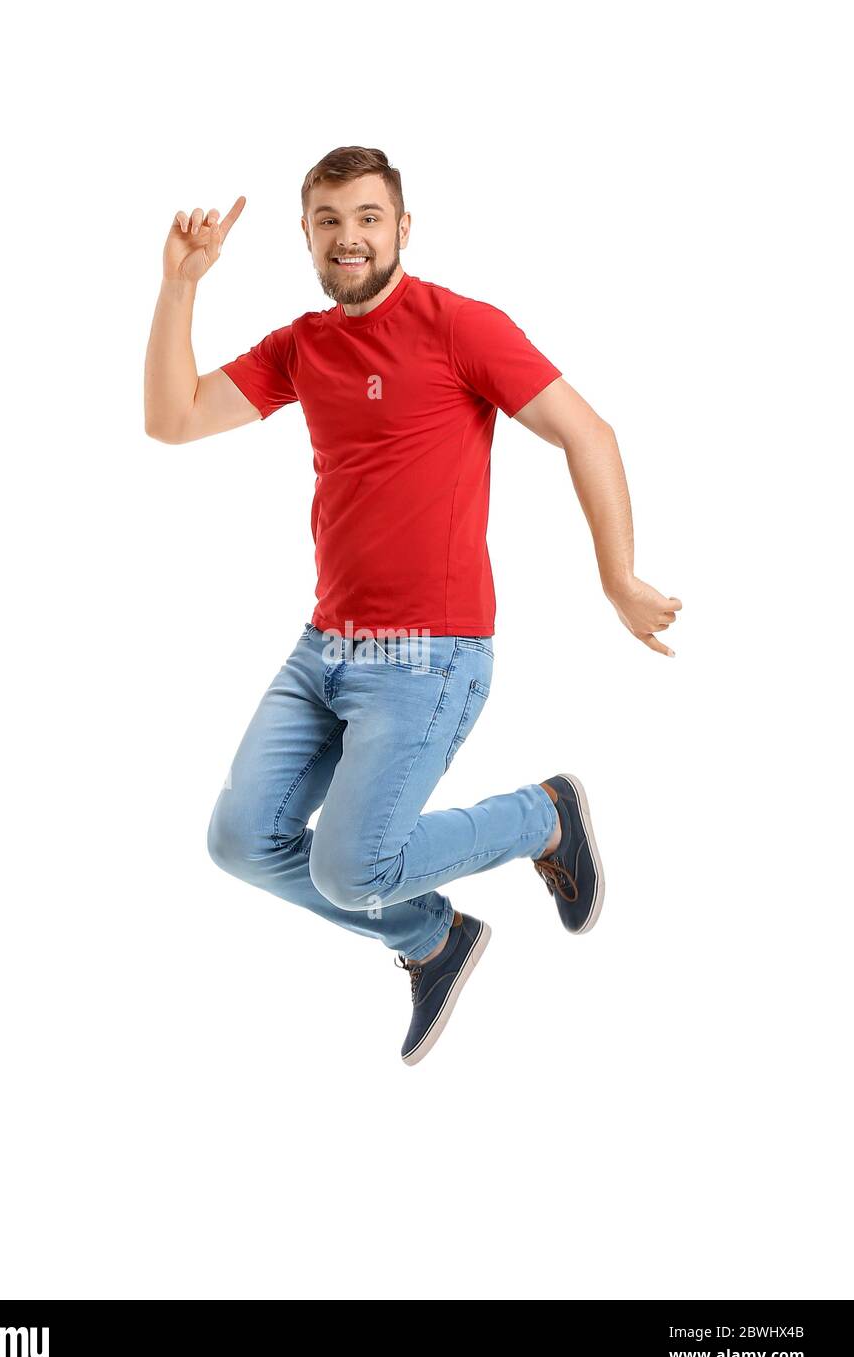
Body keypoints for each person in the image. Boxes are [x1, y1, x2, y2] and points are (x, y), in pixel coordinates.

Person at [144, 146, 682, 1066]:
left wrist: (617, 577)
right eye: (328, 222)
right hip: (326, 649)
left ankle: (541, 816)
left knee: (350, 868)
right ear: (308, 235)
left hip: (429, 658)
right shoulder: (303, 345)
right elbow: (176, 417)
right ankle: (431, 937)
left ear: (402, 227)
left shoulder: (458, 326)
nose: (349, 238)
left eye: (367, 217)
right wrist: (181, 286)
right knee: (240, 841)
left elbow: (586, 431)